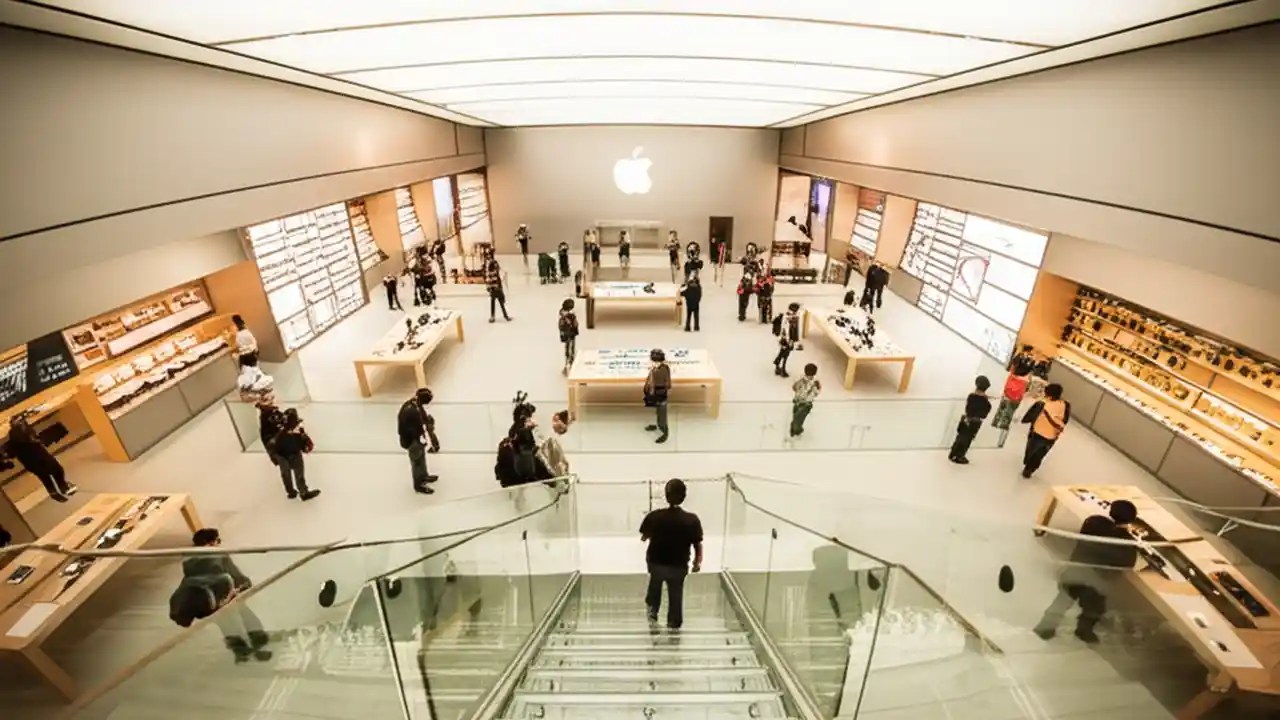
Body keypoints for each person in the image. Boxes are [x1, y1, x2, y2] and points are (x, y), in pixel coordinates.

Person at [1034, 500, 1139, 644]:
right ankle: (1084, 630)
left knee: (1062, 601)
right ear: (1131, 520)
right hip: (1096, 582)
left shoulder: (1093, 522)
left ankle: (1045, 627)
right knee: (1094, 609)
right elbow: (1127, 564)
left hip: (1075, 571)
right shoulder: (1126, 542)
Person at [170, 528, 272, 662]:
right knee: (245, 615)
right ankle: (259, 643)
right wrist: (244, 585)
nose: (219, 543)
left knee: (226, 624)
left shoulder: (189, 558)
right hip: (227, 595)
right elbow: (234, 574)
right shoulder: (217, 555)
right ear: (209, 542)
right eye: (217, 540)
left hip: (209, 601)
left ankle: (240, 651)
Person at [639, 479, 704, 630]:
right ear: (683, 496)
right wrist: (697, 562)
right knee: (676, 594)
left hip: (656, 563)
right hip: (678, 565)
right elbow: (697, 544)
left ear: (666, 495)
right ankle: (674, 623)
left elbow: (644, 537)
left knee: (655, 586)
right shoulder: (692, 520)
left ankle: (652, 611)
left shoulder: (654, 517)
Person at [4, 416, 76, 501]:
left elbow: (30, 440)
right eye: (20, 420)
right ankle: (62, 488)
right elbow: (29, 439)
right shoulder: (18, 432)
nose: (23, 421)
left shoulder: (19, 432)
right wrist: (36, 440)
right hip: (36, 457)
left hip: (32, 460)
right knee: (55, 471)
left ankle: (56, 491)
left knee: (46, 476)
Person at [1022, 383, 1070, 477]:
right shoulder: (1065, 405)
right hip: (1052, 435)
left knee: (1031, 450)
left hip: (1037, 431)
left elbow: (1030, 415)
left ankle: (1027, 465)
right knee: (1040, 453)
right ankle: (1030, 469)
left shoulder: (1041, 403)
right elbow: (1065, 420)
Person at [272, 409, 320, 501]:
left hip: (288, 454)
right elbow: (307, 447)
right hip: (288, 455)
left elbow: (274, 446)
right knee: (293, 474)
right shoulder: (290, 434)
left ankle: (296, 492)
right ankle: (298, 492)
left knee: (291, 474)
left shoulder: (285, 433)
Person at [949, 376, 992, 464]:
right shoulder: (987, 403)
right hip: (975, 423)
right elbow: (984, 415)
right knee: (967, 440)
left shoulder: (971, 396)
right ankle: (960, 456)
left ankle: (953, 453)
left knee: (960, 437)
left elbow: (968, 409)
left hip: (966, 420)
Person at [643, 349, 672, 444]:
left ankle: (665, 433)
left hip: (660, 396)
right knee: (658, 413)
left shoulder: (661, 370)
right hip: (656, 395)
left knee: (662, 415)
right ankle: (658, 425)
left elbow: (665, 385)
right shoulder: (657, 369)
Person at [791, 363, 821, 437]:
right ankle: (795, 429)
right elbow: (816, 393)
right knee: (796, 417)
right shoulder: (803, 380)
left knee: (798, 418)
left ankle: (797, 430)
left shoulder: (812, 382)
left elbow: (794, 388)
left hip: (804, 403)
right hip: (800, 402)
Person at [538, 410, 572, 477]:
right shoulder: (551, 437)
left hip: (557, 465)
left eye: (556, 421)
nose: (554, 423)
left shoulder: (556, 437)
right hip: (553, 465)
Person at [773, 303, 801, 377]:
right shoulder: (788, 318)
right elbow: (786, 330)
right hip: (786, 340)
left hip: (786, 339)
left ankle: (778, 366)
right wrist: (789, 340)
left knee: (782, 353)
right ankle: (782, 369)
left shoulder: (792, 317)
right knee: (785, 354)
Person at [484, 257, 512, 323]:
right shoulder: (494, 273)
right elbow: (495, 282)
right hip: (497, 290)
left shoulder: (489, 273)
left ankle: (492, 317)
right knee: (501, 304)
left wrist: (489, 288)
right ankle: (506, 316)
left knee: (493, 303)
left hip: (493, 290)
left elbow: (488, 282)